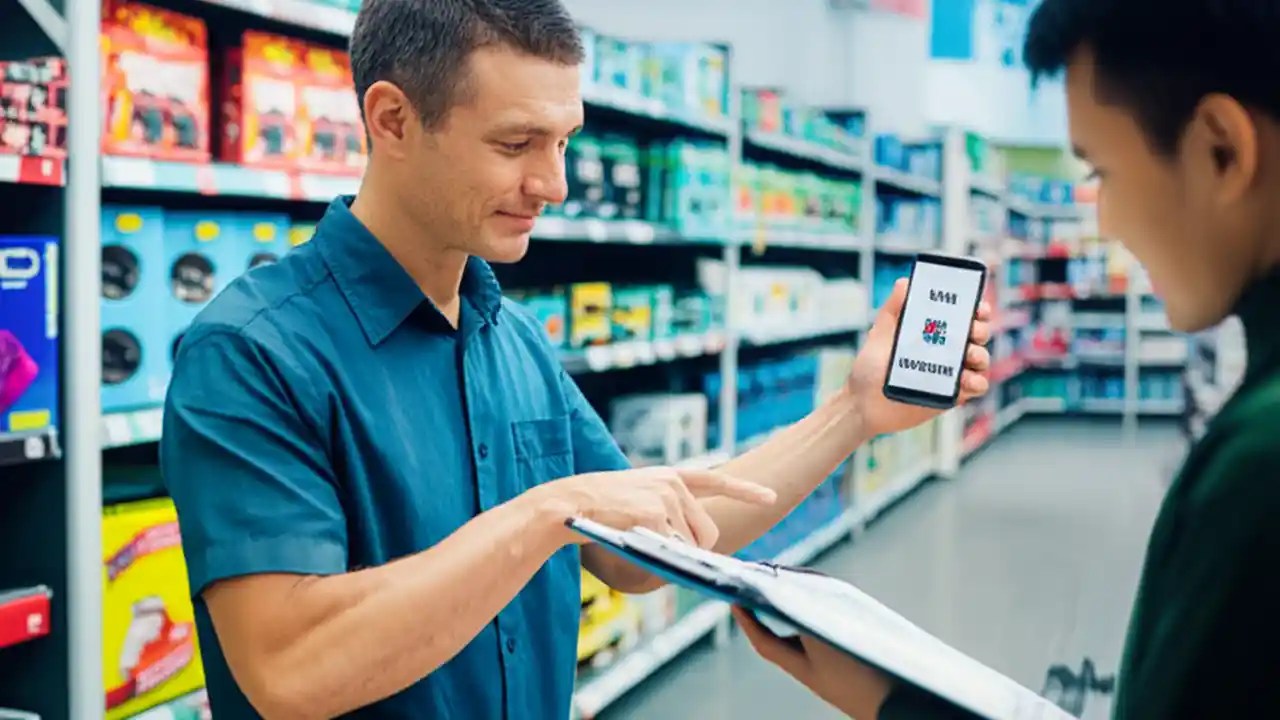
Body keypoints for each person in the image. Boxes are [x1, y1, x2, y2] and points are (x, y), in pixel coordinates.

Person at [158, 0, 993, 717]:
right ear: (393, 120)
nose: (553, 184)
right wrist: (545, 514)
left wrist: (853, 414)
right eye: (516, 143)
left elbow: (640, 550)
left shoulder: (512, 339)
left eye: (563, 142)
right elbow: (290, 670)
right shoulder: (252, 353)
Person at [735, 1, 1280, 718]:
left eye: (1104, 173)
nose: (1106, 221)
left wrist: (895, 705)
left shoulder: (1258, 463)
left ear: (1221, 151)